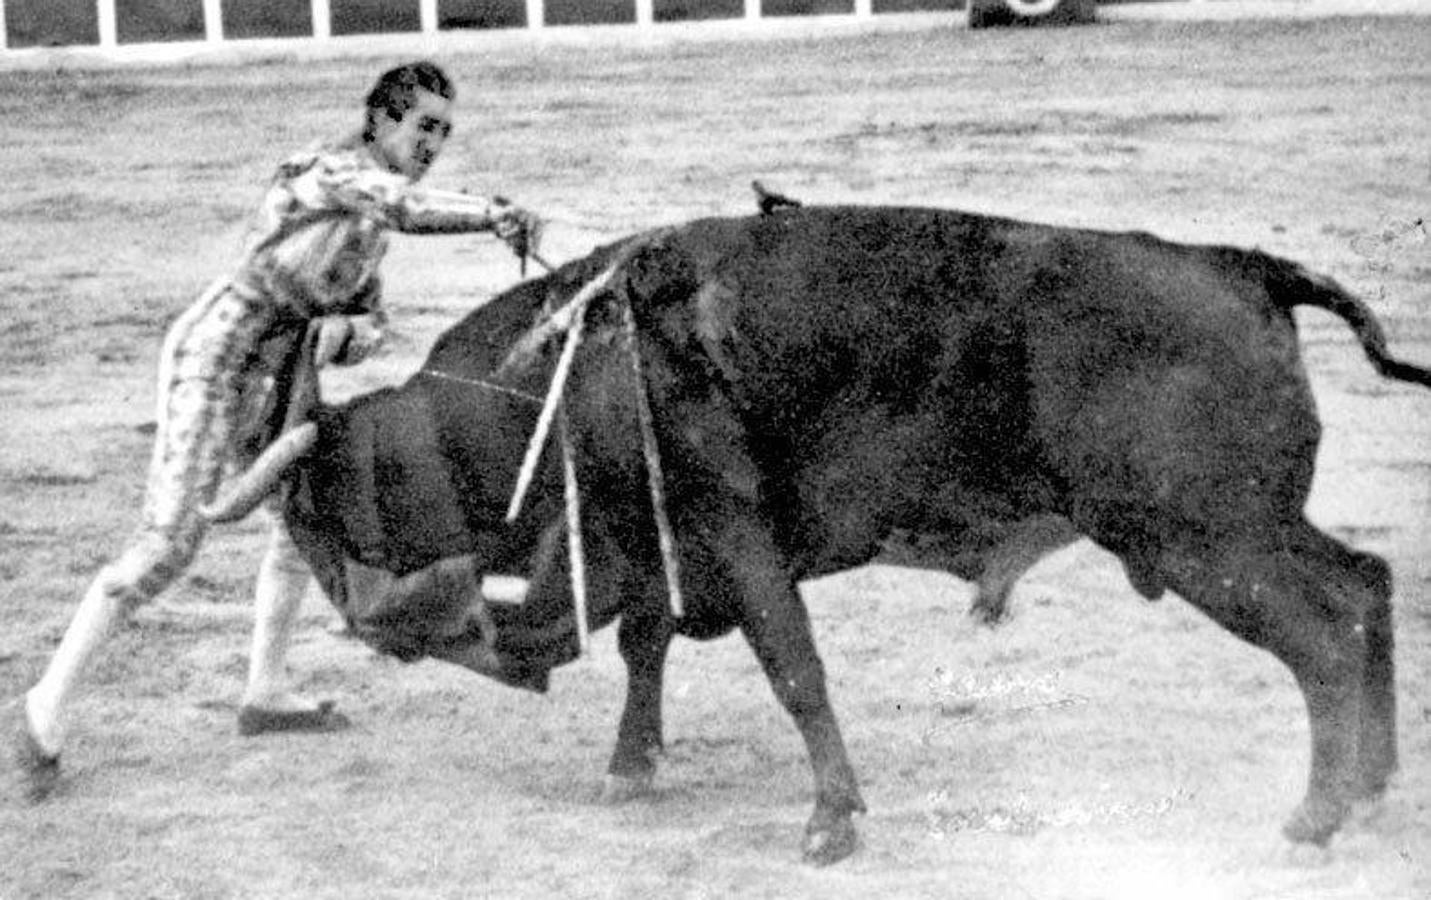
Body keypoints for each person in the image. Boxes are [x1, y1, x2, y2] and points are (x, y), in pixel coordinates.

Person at [12, 60, 542, 801]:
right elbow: (395, 203)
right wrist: (491, 213)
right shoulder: (326, 172)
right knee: (166, 544)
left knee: (297, 527)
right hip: (217, 355)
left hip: (282, 372)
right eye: (423, 126)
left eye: (444, 133)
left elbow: (372, 320)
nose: (433, 143)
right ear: (381, 121)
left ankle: (264, 690)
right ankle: (43, 705)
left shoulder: (369, 228)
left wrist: (349, 335)